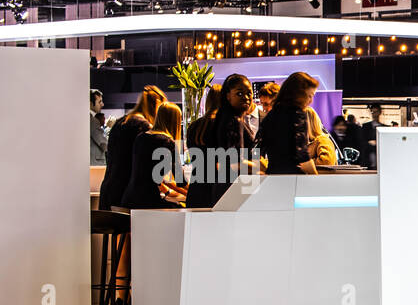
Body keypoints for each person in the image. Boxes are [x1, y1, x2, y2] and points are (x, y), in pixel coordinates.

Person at [190, 75, 256, 208]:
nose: (245, 97)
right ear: (226, 97)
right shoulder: (228, 122)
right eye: (239, 93)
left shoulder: (194, 126)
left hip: (197, 187)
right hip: (224, 189)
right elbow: (232, 162)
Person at [99, 85, 167, 210]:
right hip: (126, 195)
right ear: (157, 106)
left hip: (108, 191)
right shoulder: (144, 127)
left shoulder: (121, 122)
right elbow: (146, 167)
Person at [121, 103, 188, 209]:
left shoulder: (141, 137)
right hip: (148, 201)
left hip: (129, 198)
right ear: (175, 121)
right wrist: (195, 192)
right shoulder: (167, 142)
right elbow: (180, 181)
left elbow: (157, 178)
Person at [256, 71, 323, 175]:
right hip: (293, 179)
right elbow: (302, 156)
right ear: (298, 94)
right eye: (309, 96)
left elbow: (257, 150)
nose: (311, 101)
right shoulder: (297, 115)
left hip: (273, 177)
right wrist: (315, 178)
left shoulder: (270, 116)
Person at [360, 104, 386, 169]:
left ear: (380, 112)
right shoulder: (365, 127)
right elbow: (361, 142)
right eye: (373, 112)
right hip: (368, 160)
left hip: (382, 160)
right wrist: (369, 143)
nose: (374, 114)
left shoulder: (385, 128)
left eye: (376, 112)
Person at [90, 89, 108, 164]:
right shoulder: (92, 121)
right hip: (96, 165)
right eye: (99, 102)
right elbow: (104, 144)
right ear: (90, 103)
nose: (102, 104)